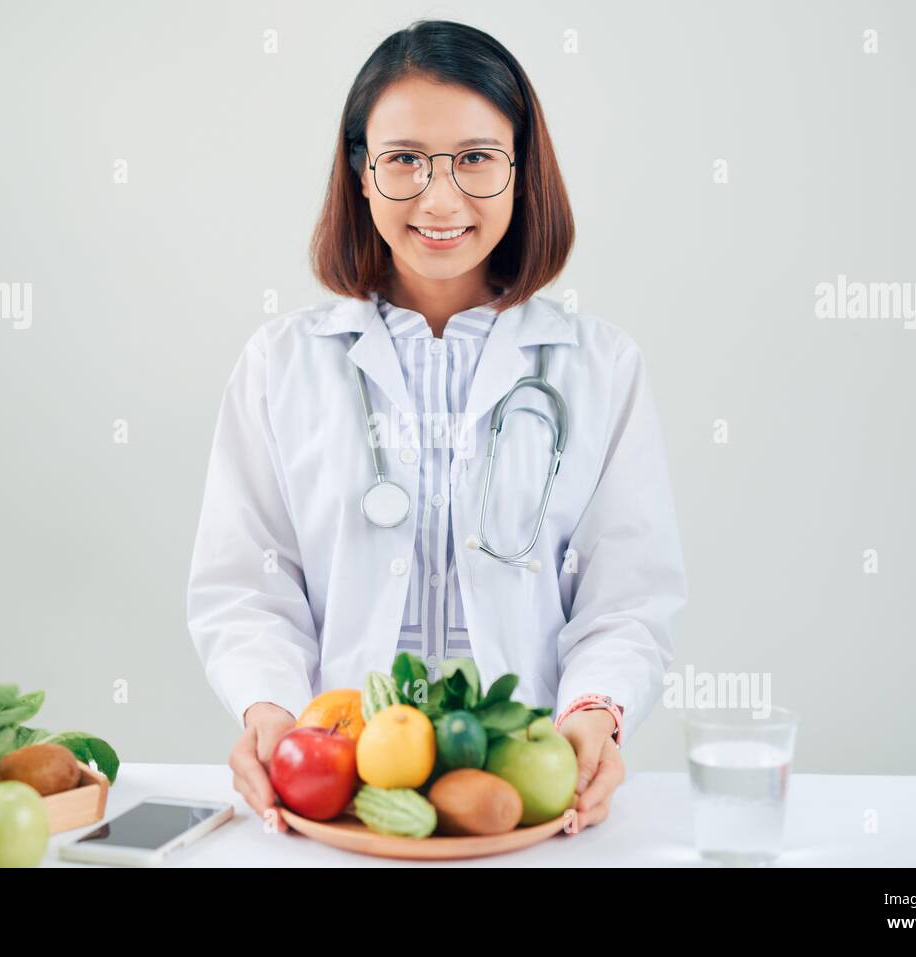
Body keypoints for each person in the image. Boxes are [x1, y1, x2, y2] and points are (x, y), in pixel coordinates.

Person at [187, 20, 687, 833]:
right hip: (341, 782)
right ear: (360, 175)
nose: (441, 198)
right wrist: (269, 707)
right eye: (405, 160)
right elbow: (246, 587)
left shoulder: (600, 367)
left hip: (528, 786)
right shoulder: (282, 364)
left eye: (477, 159)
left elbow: (625, 597)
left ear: (522, 175)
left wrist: (596, 714)